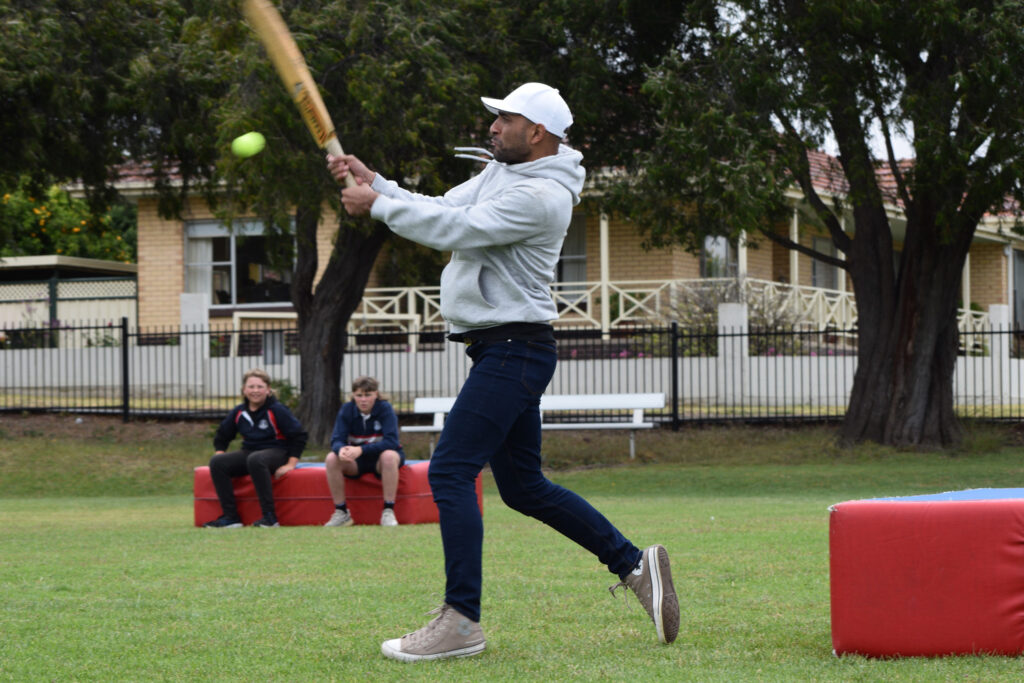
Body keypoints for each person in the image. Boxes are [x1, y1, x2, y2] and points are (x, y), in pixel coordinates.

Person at [327, 82, 679, 661]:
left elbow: (454, 232)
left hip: (515, 349)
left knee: (449, 470)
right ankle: (635, 565)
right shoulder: (501, 174)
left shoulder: (541, 195)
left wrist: (378, 207)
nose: (491, 127)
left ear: (536, 131)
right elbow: (444, 206)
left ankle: (461, 623)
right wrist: (379, 184)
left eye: (503, 118)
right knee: (523, 488)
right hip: (503, 349)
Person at [202, 368, 308, 528]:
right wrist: (220, 453)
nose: (255, 391)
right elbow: (222, 434)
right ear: (244, 390)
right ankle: (231, 517)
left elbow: (299, 435)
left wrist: (291, 464)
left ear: (268, 390)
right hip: (250, 452)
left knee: (256, 459)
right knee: (218, 462)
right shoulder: (239, 412)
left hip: (277, 452)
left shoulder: (277, 410)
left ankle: (269, 518)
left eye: (260, 387)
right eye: (251, 387)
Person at [323, 376, 407, 527]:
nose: (363, 400)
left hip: (381, 460)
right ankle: (341, 512)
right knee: (331, 458)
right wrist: (340, 450)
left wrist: (361, 449)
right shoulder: (347, 410)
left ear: (376, 394)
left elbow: (392, 442)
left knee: (388, 456)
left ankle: (388, 510)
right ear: (353, 396)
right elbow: (336, 439)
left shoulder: (385, 409)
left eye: (368, 395)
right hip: (357, 461)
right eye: (359, 395)